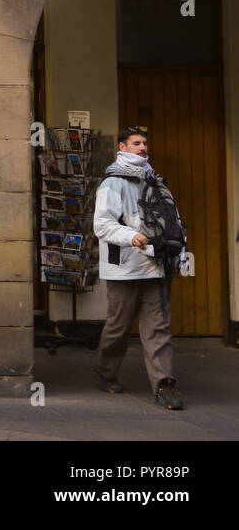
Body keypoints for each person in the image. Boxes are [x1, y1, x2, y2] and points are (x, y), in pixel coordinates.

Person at [92, 127, 183, 410]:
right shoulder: (112, 182)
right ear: (123, 147)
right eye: (136, 143)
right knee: (117, 328)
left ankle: (163, 386)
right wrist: (132, 237)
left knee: (158, 329)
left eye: (145, 143)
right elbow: (102, 225)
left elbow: (174, 221)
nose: (143, 148)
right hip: (125, 268)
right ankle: (105, 373)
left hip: (156, 266)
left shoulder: (155, 180)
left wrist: (179, 256)